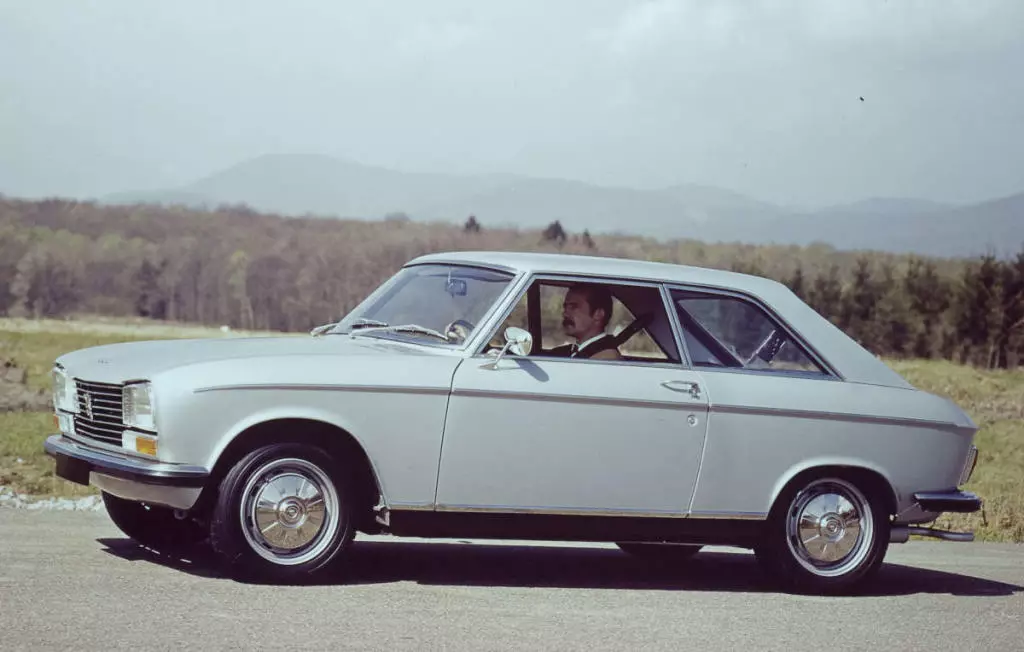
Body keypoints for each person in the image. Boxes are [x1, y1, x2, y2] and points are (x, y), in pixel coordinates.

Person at [550, 283, 623, 360]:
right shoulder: (562, 352)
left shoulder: (607, 359)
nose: (565, 314)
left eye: (573, 307)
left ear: (598, 314)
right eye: (565, 307)